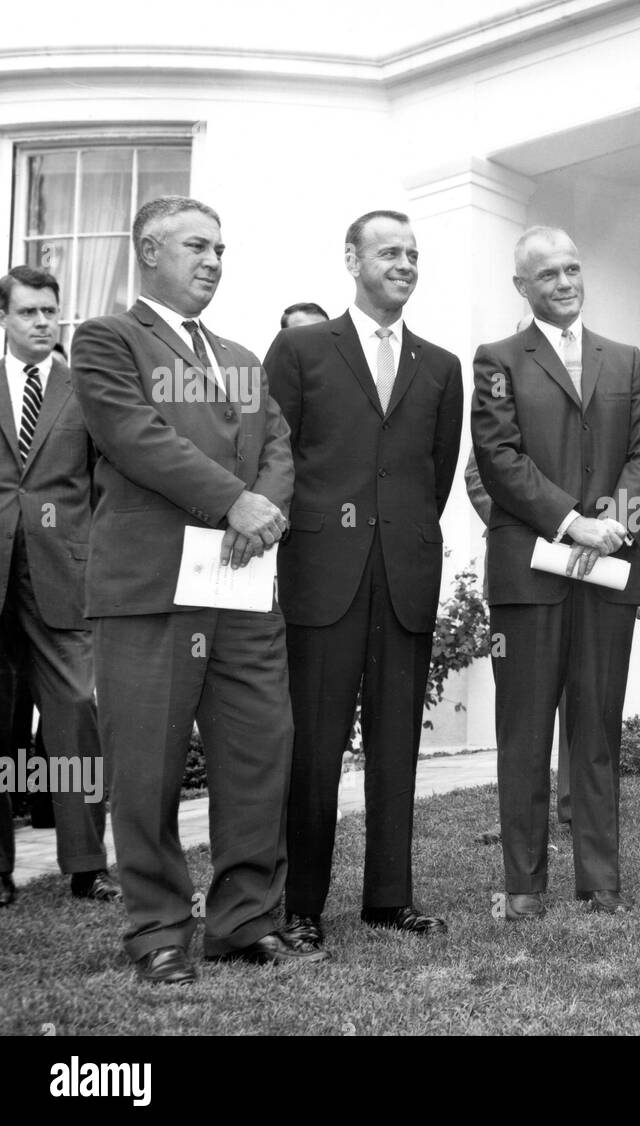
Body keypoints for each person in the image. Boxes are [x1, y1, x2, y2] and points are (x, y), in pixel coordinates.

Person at [71, 195, 318, 983]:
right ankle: (158, 930)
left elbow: (278, 444)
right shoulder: (105, 340)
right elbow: (134, 437)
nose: (213, 261)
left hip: (242, 584)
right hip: (152, 592)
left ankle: (245, 919)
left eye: (221, 249)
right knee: (146, 768)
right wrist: (231, 499)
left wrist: (265, 508)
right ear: (148, 250)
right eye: (197, 247)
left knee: (258, 753)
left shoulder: (243, 358)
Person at [264, 210, 463, 952]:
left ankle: (389, 897)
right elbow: (274, 451)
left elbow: (433, 475)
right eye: (389, 252)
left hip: (404, 572)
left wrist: (397, 534)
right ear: (352, 259)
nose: (405, 264)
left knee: (395, 741)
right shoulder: (301, 347)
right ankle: (302, 904)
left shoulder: (441, 366)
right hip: (323, 572)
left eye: (414, 254)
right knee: (314, 745)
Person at [472, 225, 640, 920]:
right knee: (525, 733)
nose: (565, 282)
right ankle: (523, 888)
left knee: (597, 730)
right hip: (531, 577)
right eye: (547, 274)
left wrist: (613, 518)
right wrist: (570, 521)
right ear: (522, 287)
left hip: (607, 572)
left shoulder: (626, 358)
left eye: (573, 268)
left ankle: (600, 883)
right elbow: (500, 457)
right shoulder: (496, 360)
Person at [0, 265, 118, 908]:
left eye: (50, 312)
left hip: (62, 576)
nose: (43, 323)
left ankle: (85, 864)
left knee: (74, 713)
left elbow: (107, 483)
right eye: (28, 313)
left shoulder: (84, 391)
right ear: (5, 318)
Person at [465, 449, 572, 832]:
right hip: (516, 566)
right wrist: (522, 523)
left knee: (577, 699)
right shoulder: (502, 400)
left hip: (580, 563)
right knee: (519, 703)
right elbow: (476, 477)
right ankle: (517, 811)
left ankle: (576, 807)